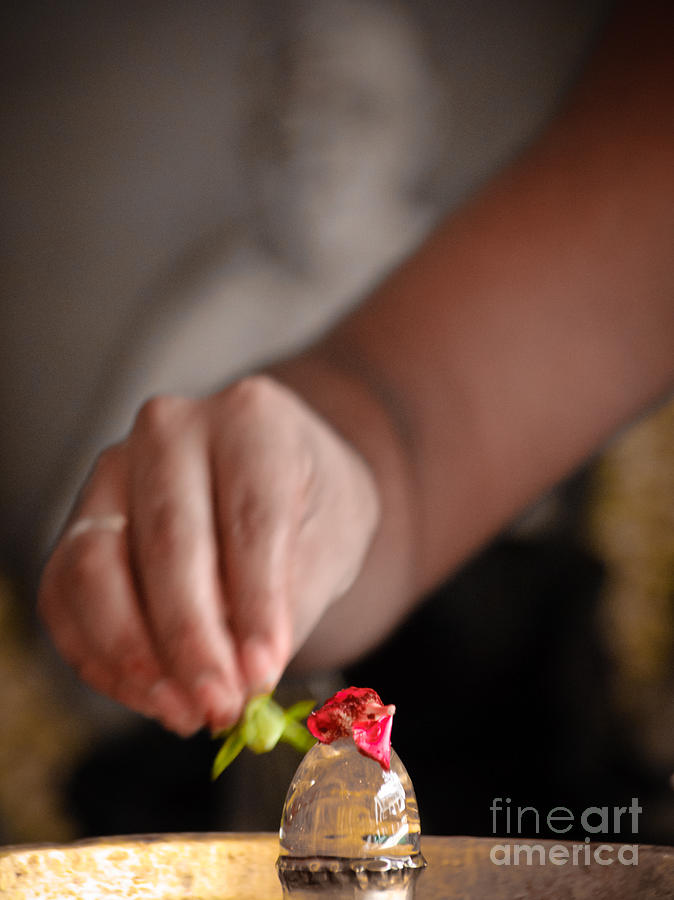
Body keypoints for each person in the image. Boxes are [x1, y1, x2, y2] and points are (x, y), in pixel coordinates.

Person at [38, 0, 673, 744]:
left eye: (355, 109)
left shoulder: (438, 252)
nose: (316, 143)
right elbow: (392, 431)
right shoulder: (219, 305)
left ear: (417, 117)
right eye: (290, 116)